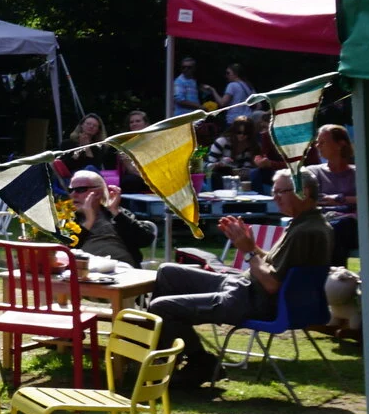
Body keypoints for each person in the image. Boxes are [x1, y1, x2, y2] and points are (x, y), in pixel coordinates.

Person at [141, 168, 333, 394]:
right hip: (245, 287)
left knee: (160, 307)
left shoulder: (307, 232)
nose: (275, 197)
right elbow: (274, 268)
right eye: (274, 191)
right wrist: (251, 246)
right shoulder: (305, 223)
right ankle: (163, 357)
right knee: (168, 272)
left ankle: (198, 363)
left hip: (254, 300)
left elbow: (272, 284)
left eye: (281, 191)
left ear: (305, 191)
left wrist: (249, 252)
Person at [65, 169, 154, 266]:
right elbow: (64, 250)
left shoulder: (115, 213)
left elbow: (145, 240)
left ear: (98, 193)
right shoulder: (67, 218)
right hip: (85, 271)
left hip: (124, 270)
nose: (73, 194)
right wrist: (88, 221)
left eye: (80, 190)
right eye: (70, 190)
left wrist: (116, 212)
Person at [313, 123, 359, 259]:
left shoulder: (358, 173)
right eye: (317, 142)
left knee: (339, 227)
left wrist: (340, 199)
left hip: (350, 226)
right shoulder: (313, 172)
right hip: (322, 222)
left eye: (323, 142)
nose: (317, 146)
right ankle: (335, 276)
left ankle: (334, 275)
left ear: (340, 144)